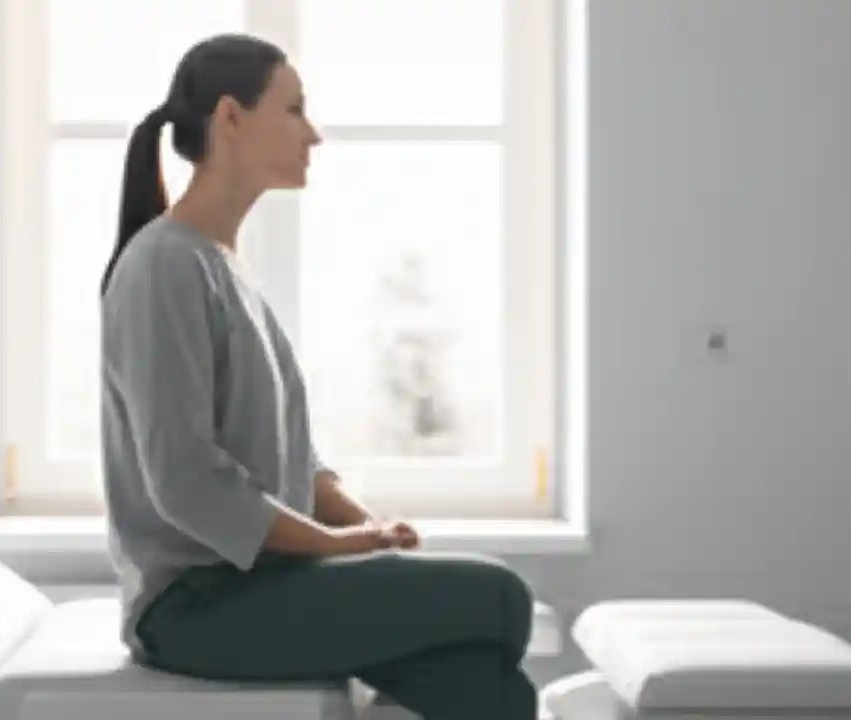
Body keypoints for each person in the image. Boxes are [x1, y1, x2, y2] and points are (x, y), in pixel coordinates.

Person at [99, 33, 536, 719]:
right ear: (231, 120)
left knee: (495, 693)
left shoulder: (222, 265)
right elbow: (185, 481)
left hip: (257, 587)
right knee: (500, 599)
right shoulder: (163, 266)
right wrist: (336, 547)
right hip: (193, 607)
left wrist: (369, 528)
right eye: (295, 109)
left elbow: (293, 461)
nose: (315, 134)